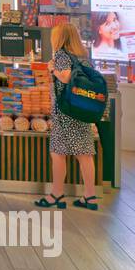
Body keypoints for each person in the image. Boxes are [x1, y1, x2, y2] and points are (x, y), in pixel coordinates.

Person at [37, 22, 99, 211]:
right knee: (85, 155)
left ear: (60, 38)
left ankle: (56, 194)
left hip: (66, 114)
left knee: (58, 154)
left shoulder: (62, 55)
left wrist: (52, 69)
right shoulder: (84, 56)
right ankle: (90, 196)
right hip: (82, 109)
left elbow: (64, 77)